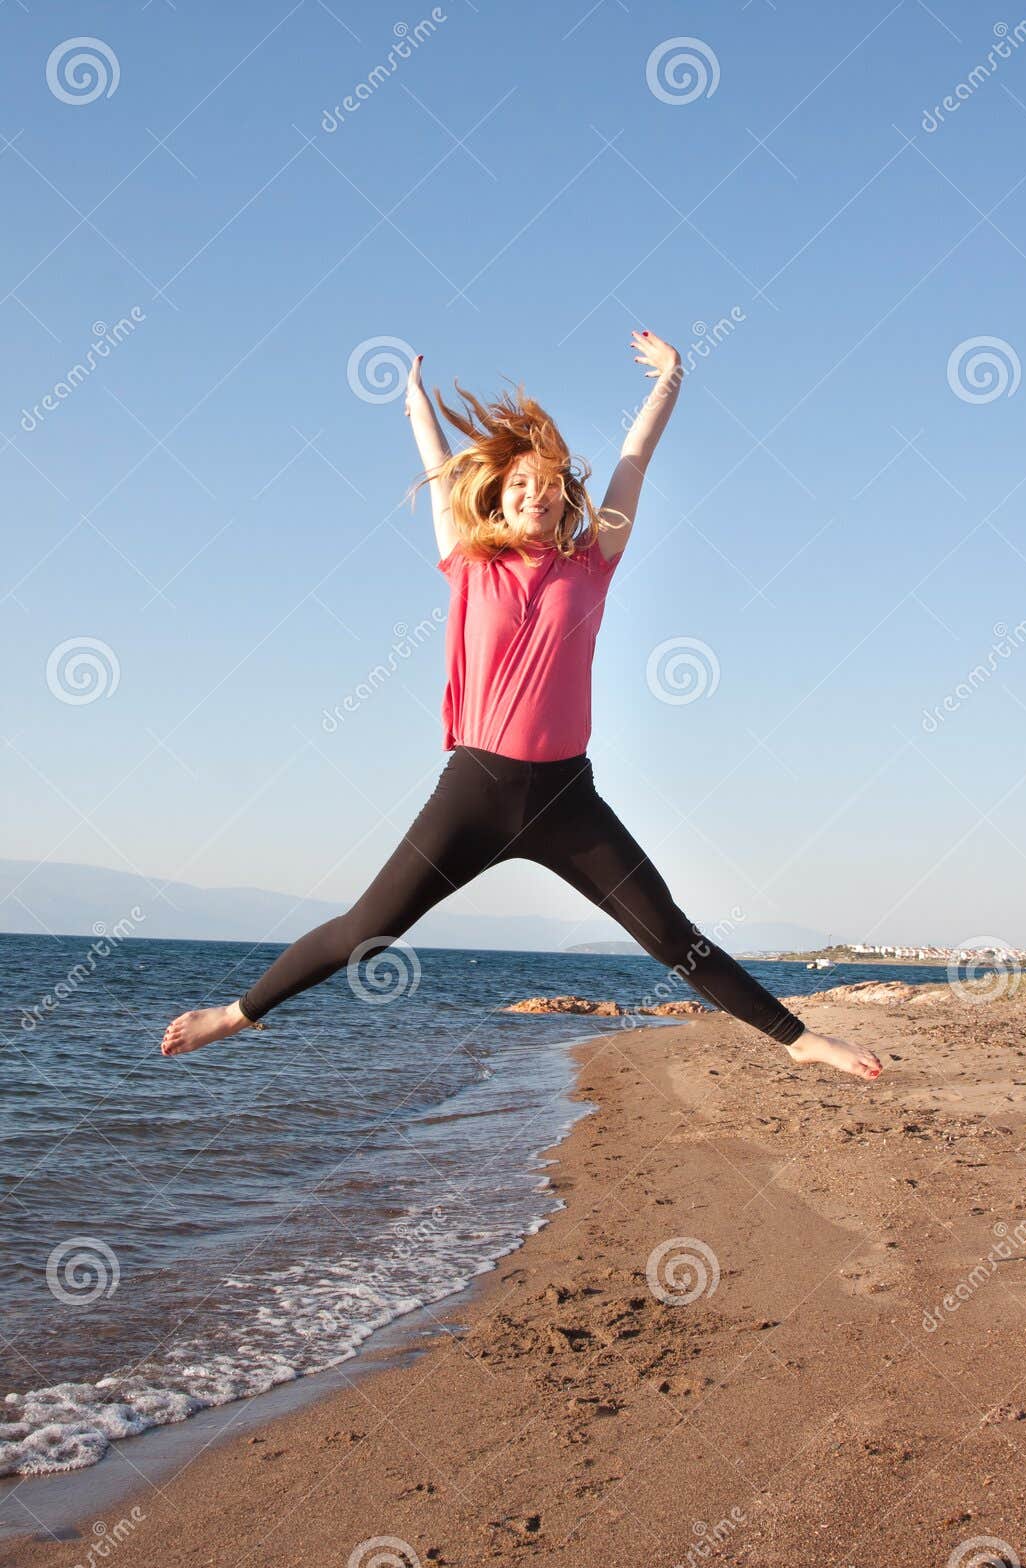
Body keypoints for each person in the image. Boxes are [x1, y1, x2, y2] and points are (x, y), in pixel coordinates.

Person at [161, 330, 881, 1081]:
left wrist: (668, 382)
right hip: (474, 791)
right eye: (520, 484)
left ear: (565, 495)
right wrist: (416, 406)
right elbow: (440, 472)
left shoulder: (593, 562)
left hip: (567, 799)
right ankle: (236, 1014)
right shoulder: (469, 561)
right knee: (366, 930)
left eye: (550, 483)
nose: (536, 493)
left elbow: (633, 461)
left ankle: (800, 1039)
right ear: (498, 497)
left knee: (671, 935)